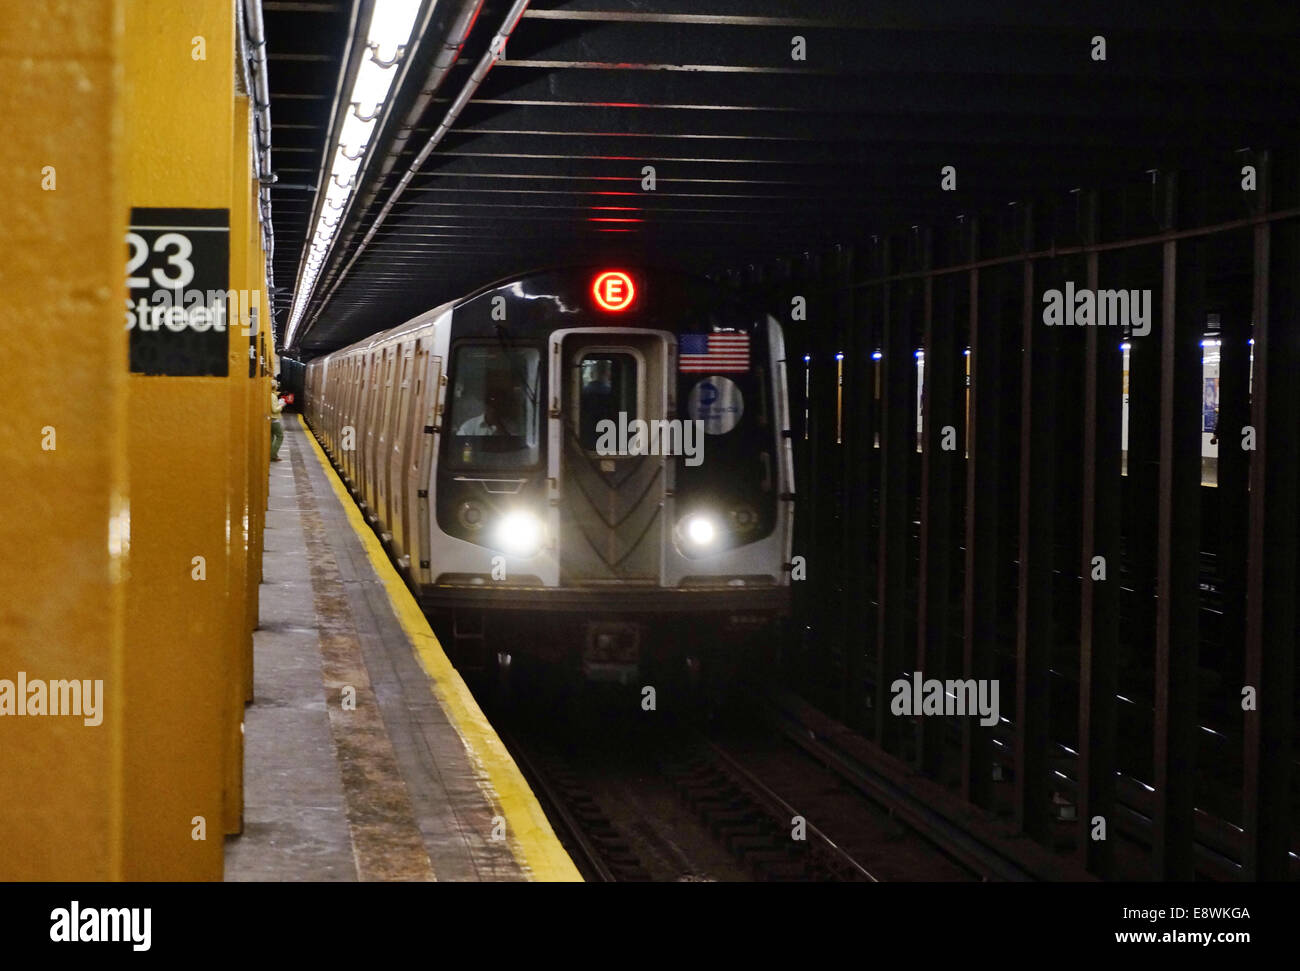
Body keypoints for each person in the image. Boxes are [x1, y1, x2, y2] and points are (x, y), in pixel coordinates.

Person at [270, 381, 285, 461]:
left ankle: (270, 454)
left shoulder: (269, 395)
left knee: (271, 438)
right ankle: (273, 454)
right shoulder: (272, 396)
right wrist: (281, 405)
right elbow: (274, 410)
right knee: (280, 436)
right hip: (274, 419)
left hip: (269, 419)